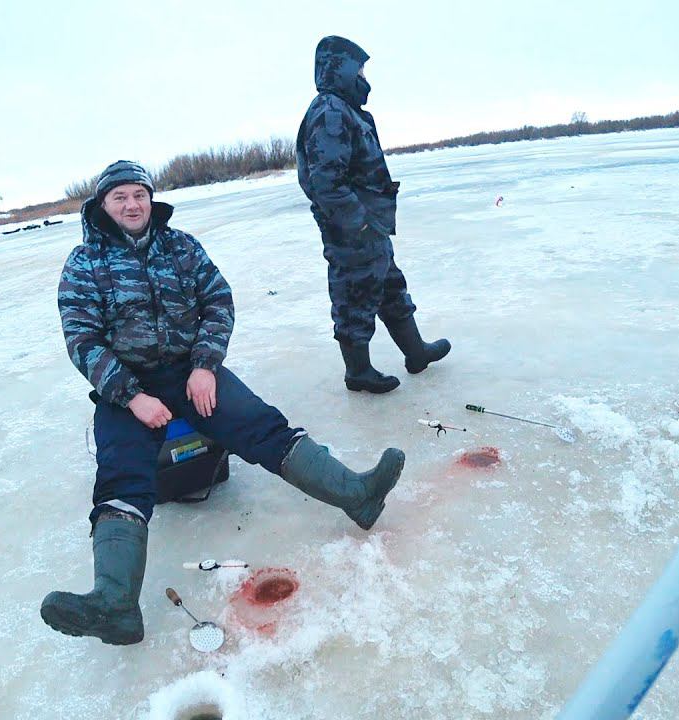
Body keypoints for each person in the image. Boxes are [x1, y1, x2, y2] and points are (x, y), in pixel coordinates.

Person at [40, 160, 405, 645]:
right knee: (122, 478)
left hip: (191, 371)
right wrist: (132, 397)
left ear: (150, 198)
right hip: (126, 387)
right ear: (102, 205)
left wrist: (205, 365)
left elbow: (218, 302)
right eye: (120, 197)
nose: (132, 204)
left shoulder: (181, 246)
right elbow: (82, 340)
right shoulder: (84, 263)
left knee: (264, 428)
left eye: (139, 194)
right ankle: (116, 605)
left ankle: (357, 495)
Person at [295, 35, 450, 394]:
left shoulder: (344, 109)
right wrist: (359, 221)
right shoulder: (329, 111)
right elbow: (325, 182)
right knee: (355, 294)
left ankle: (416, 353)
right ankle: (358, 372)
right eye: (359, 69)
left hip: (369, 225)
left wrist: (371, 221)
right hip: (351, 229)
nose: (364, 76)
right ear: (343, 70)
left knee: (390, 286)